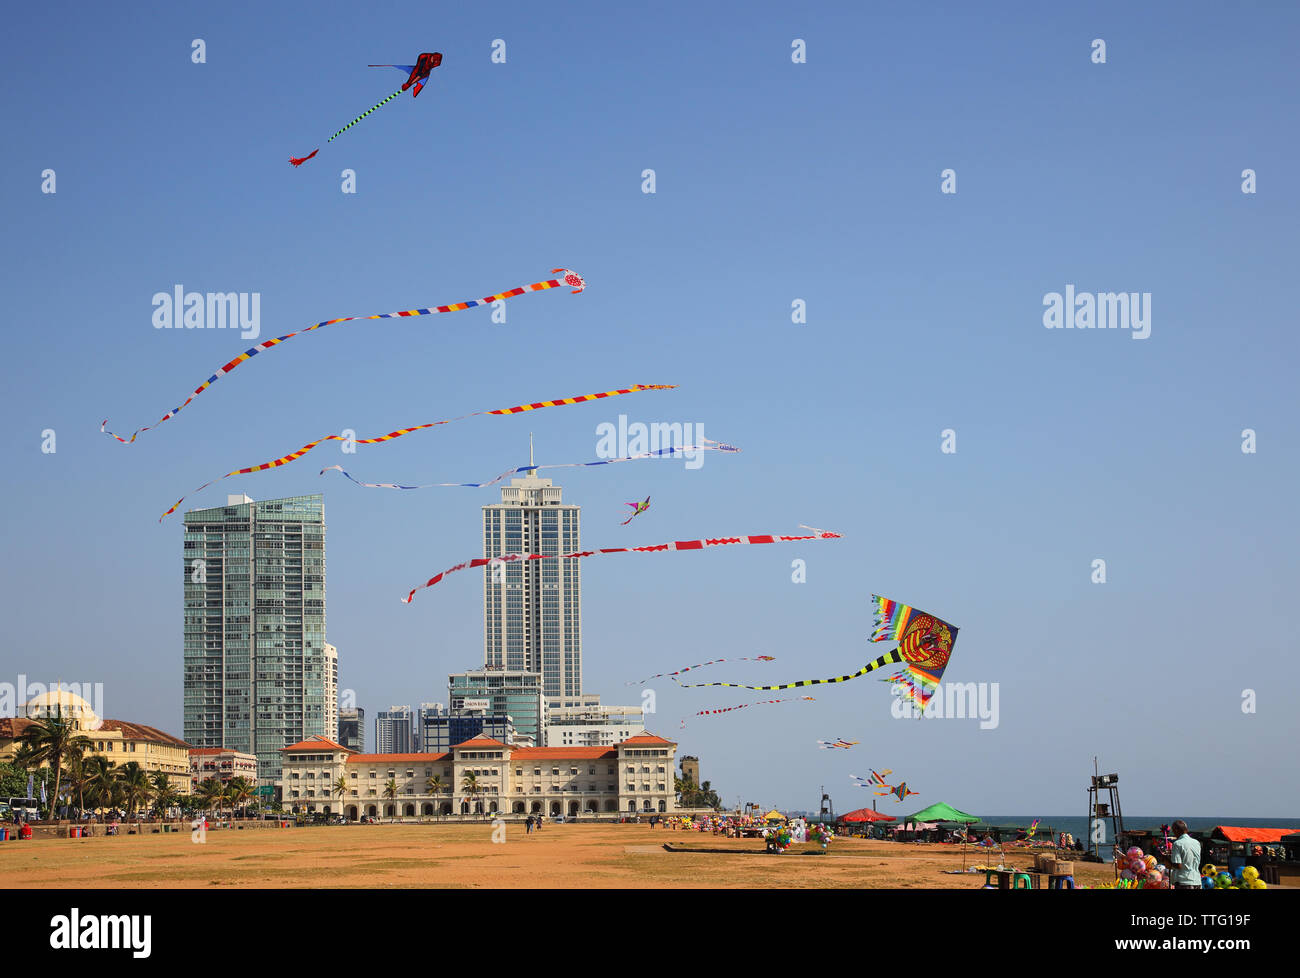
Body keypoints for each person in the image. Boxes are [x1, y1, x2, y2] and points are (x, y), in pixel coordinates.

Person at [1168, 820, 1202, 890]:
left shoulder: (1177, 844)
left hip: (1184, 881)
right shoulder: (1196, 843)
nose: (1174, 833)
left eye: (1173, 831)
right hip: (1197, 880)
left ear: (1177, 830)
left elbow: (1178, 865)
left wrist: (1166, 859)